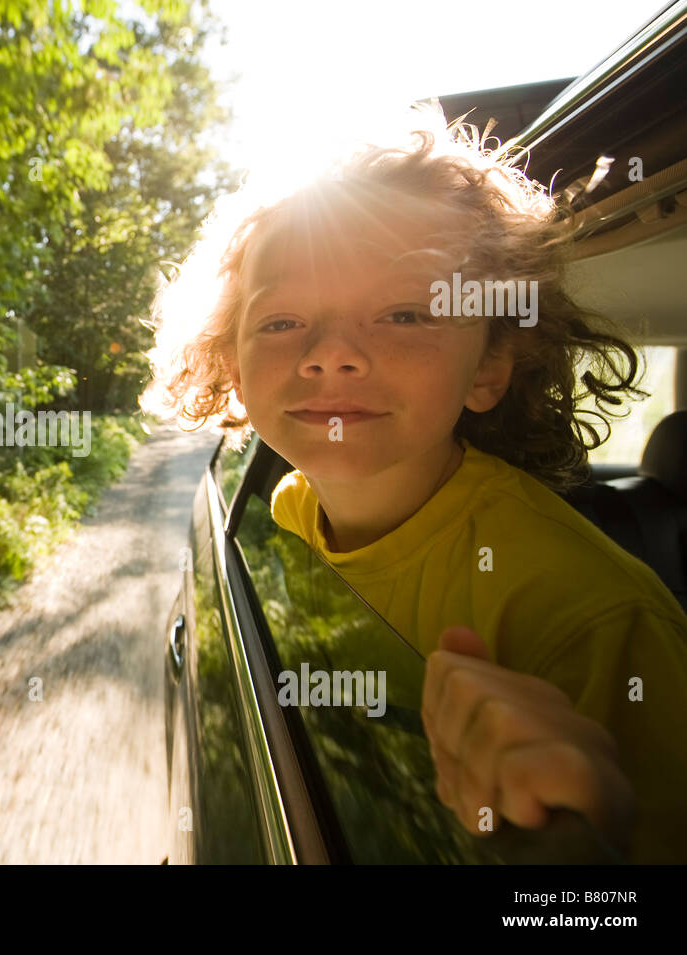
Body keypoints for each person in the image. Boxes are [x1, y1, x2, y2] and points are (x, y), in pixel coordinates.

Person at [145, 106, 687, 863]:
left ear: (491, 365)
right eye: (281, 322)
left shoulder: (591, 618)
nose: (331, 354)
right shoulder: (290, 505)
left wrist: (581, 846)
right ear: (234, 366)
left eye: (404, 313)